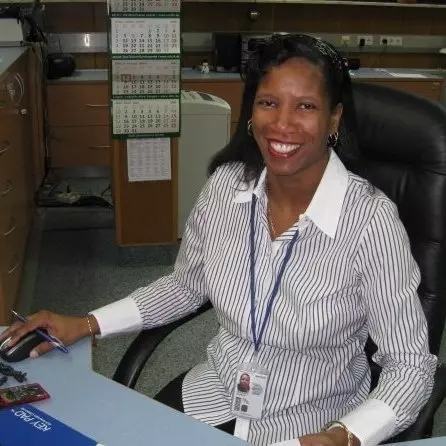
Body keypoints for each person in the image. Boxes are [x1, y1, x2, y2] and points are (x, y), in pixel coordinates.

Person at [0, 34, 436, 446]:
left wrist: (344, 435)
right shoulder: (227, 188)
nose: (282, 124)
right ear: (251, 112)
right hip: (217, 394)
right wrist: (89, 323)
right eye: (269, 103)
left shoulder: (369, 222)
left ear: (333, 119)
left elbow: (410, 367)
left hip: (313, 423)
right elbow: (186, 286)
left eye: (305, 106)